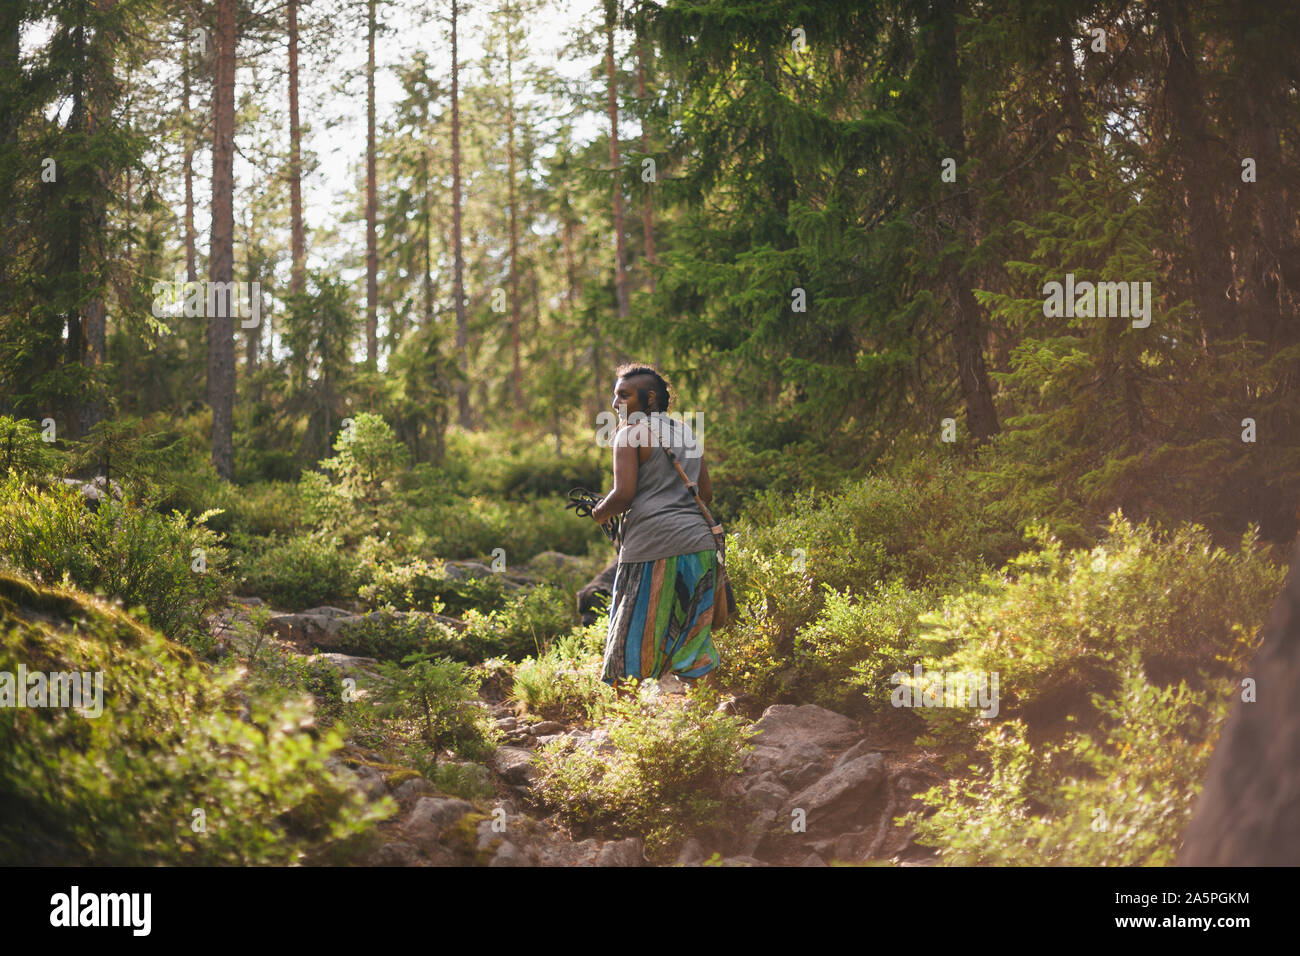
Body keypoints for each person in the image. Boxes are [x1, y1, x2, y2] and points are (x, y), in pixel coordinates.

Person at [589, 363, 723, 695]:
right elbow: (704, 493)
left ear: (649, 399)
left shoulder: (628, 433)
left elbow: (623, 495)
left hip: (650, 549)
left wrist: (597, 512)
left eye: (624, 394)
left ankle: (628, 727)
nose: (615, 402)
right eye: (615, 394)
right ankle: (705, 719)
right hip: (699, 546)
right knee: (693, 638)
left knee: (629, 641)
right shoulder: (687, 432)